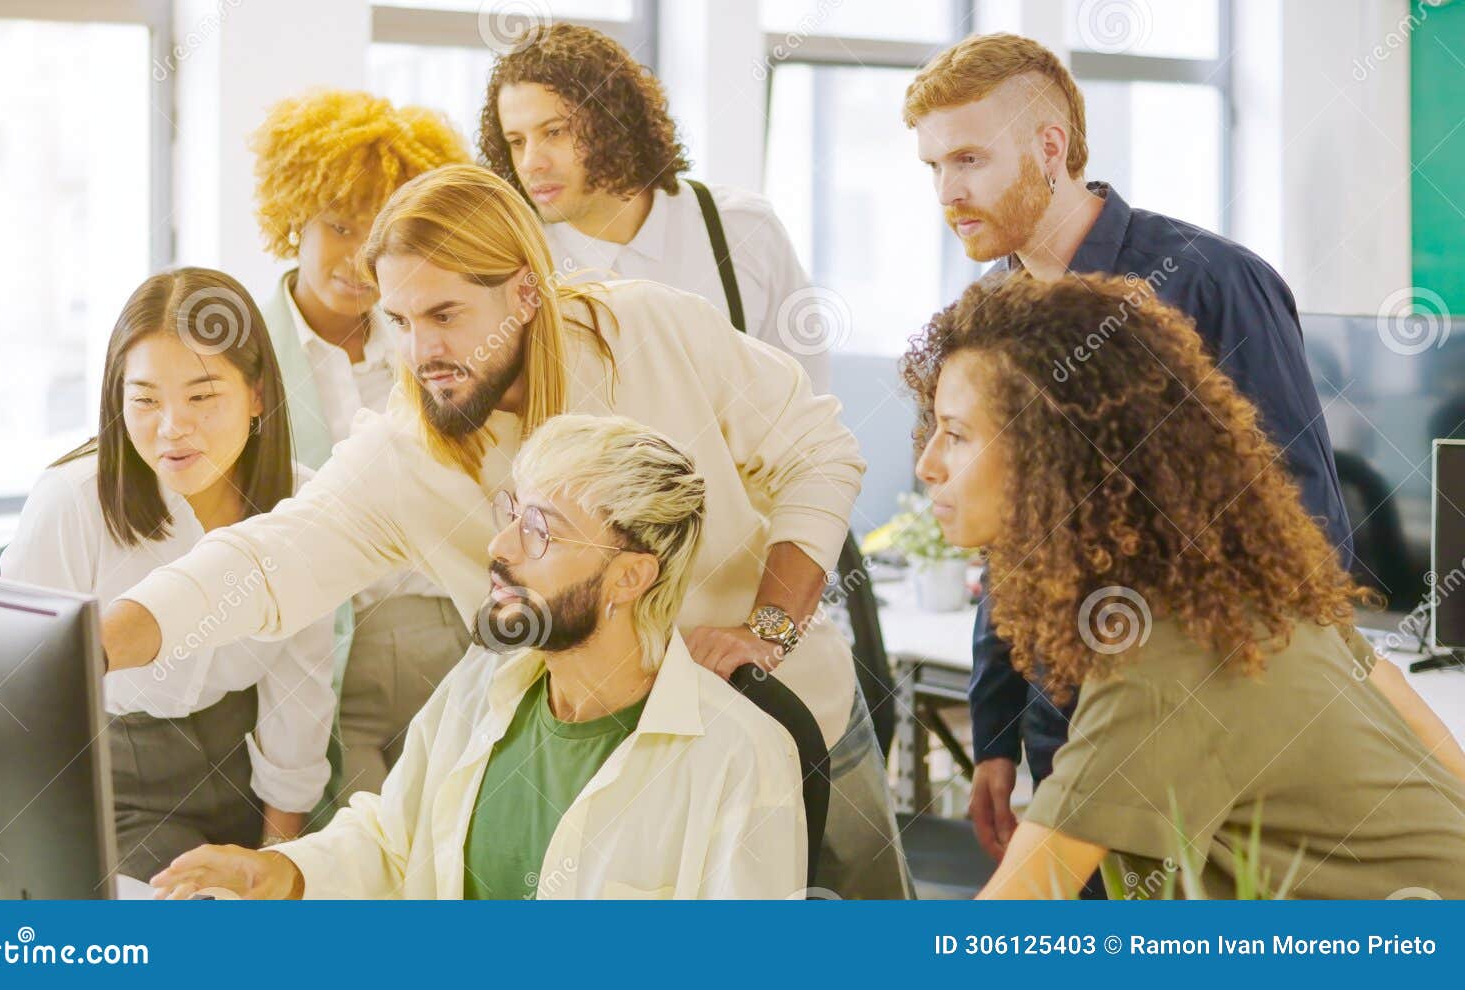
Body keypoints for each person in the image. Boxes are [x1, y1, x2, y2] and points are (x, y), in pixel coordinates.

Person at [101, 163, 911, 899]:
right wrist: (99, 644)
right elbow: (268, 559)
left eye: (445, 313)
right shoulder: (407, 451)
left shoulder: (650, 331)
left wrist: (768, 630)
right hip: (584, 760)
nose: (422, 351)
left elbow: (818, 452)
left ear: (524, 292)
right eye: (399, 320)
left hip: (786, 718)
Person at [901, 32, 1356, 865]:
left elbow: (1307, 525)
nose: (947, 191)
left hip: (1206, 739)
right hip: (1063, 736)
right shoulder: (993, 311)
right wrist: (995, 731)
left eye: (968, 159)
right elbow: (1012, 542)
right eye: (933, 166)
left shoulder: (1210, 281)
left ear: (1050, 148)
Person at [905, 273, 1465, 899]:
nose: (927, 464)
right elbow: (1392, 690)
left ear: (1056, 450)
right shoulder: (1232, 592)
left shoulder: (1162, 662)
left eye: (956, 435)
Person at [149, 414, 807, 899]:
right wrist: (280, 871)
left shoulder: (740, 759)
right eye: (513, 514)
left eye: (541, 531)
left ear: (630, 577)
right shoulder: (482, 683)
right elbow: (396, 842)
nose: (501, 546)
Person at [0, 268, 340, 881]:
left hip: (246, 765)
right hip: (113, 775)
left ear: (258, 394)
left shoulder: (303, 504)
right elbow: (23, 707)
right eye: (145, 400)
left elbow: (298, 692)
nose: (172, 427)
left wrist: (276, 858)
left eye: (202, 397)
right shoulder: (71, 503)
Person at [250, 88, 474, 803]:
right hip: (330, 657)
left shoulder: (434, 339)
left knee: (462, 846)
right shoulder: (241, 352)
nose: (359, 259)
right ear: (295, 215)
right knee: (362, 854)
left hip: (462, 638)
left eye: (382, 236)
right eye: (340, 226)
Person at [481, 22, 831, 390]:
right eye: (516, 142)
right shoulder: (513, 263)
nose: (530, 163)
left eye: (554, 132)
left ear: (613, 124)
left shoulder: (742, 228)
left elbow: (808, 395)